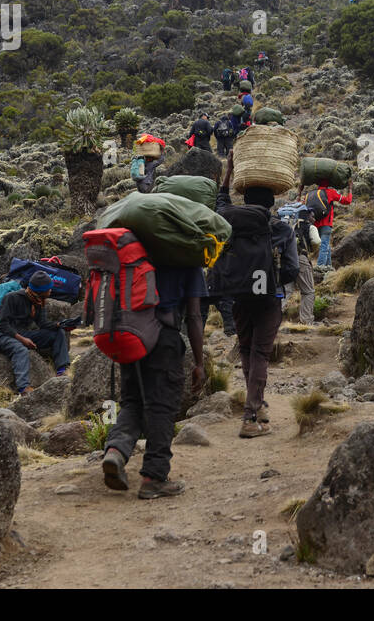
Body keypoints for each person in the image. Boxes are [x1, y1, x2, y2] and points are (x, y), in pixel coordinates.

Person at [209, 151, 299, 437]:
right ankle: (250, 418)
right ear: (272, 202)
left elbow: (219, 201)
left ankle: (257, 406)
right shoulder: (279, 227)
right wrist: (273, 282)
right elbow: (292, 268)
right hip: (267, 296)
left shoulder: (227, 219)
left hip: (237, 294)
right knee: (260, 352)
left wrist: (229, 171)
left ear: (245, 199)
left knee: (247, 350)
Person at [100, 262, 206, 499]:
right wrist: (199, 362)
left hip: (130, 336)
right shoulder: (185, 253)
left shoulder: (133, 251)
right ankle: (154, 477)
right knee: (162, 406)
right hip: (163, 339)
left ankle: (116, 450)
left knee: (133, 403)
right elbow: (194, 314)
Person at [0, 271, 71, 394]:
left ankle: (61, 370)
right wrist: (23, 340)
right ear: (40, 290)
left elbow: (42, 323)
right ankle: (23, 388)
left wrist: (60, 325)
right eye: (49, 289)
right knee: (21, 350)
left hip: (23, 334)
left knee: (58, 332)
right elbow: (2, 324)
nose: (51, 291)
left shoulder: (39, 301)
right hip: (3, 335)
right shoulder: (12, 298)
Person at [280, 201, 320, 325]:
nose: (314, 218)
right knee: (308, 291)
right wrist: (311, 249)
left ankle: (272, 317)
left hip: (284, 259)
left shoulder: (285, 226)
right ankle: (306, 321)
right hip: (300, 258)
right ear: (307, 215)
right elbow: (317, 241)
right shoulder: (309, 227)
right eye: (312, 216)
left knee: (286, 290)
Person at [309, 177, 353, 272]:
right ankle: (320, 267)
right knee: (324, 245)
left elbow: (301, 205)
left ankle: (329, 268)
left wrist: (299, 193)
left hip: (314, 224)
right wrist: (350, 189)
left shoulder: (311, 194)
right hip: (326, 224)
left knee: (326, 245)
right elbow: (347, 201)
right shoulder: (330, 192)